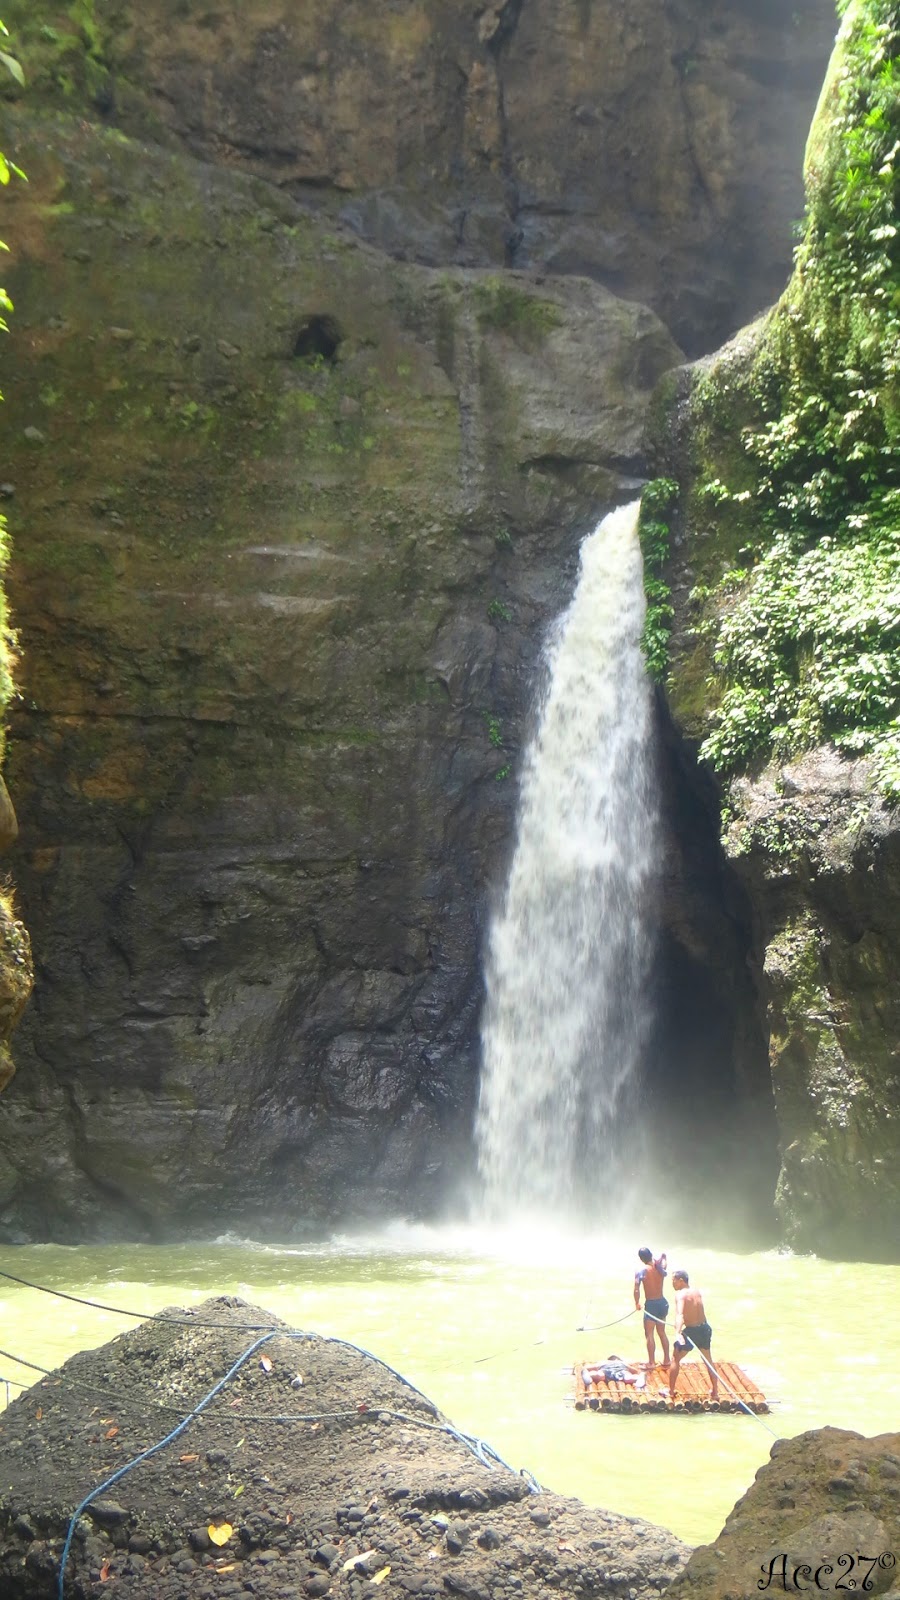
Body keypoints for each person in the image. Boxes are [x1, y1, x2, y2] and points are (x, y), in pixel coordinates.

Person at [669, 1269, 718, 1401]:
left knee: (675, 1358)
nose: (672, 1283)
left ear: (681, 1281)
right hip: (704, 1328)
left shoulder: (680, 1295)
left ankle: (671, 1391)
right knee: (708, 1360)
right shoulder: (697, 1292)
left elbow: (680, 1314)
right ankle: (715, 1392)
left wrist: (678, 1332)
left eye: (673, 1280)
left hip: (692, 1331)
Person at [633, 1246, 670, 1366]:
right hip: (662, 1302)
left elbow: (637, 1288)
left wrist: (637, 1303)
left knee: (649, 1334)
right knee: (662, 1332)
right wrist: (663, 1257)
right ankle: (667, 1360)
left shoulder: (642, 1270)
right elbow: (665, 1264)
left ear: (641, 1258)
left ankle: (651, 1362)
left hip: (652, 1304)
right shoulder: (659, 1268)